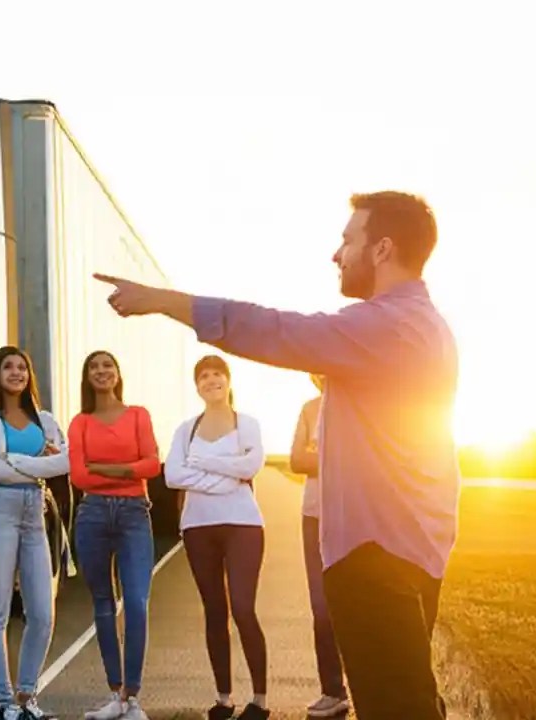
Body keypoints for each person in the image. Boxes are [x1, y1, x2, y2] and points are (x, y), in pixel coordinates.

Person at [94, 190, 459, 720]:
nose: (337, 254)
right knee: (411, 699)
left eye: (347, 240)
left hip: (377, 555)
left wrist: (165, 301)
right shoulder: (423, 326)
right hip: (405, 546)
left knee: (397, 707)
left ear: (382, 249)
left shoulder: (390, 327)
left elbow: (277, 330)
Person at [0, 345, 70, 720]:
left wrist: (20, 462)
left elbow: (68, 462)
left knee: (42, 612)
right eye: (7, 367)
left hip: (33, 512)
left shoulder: (45, 418)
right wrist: (41, 463)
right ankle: (4, 702)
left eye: (22, 367)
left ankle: (28, 698)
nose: (16, 372)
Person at [163, 354, 271, 720]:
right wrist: (227, 477)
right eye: (204, 376)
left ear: (228, 380)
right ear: (197, 386)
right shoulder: (186, 430)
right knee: (214, 611)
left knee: (242, 607)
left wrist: (205, 465)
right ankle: (223, 698)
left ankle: (259, 700)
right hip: (198, 527)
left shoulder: (248, 424)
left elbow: (251, 466)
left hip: (243, 525)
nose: (211, 381)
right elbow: (173, 476)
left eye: (217, 374)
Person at [66, 350, 161, 720]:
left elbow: (152, 465)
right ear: (87, 377)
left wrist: (106, 467)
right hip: (92, 515)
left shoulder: (138, 414)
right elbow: (79, 477)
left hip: (134, 514)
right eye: (94, 367)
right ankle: (115, 696)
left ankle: (133, 696)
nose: (101, 371)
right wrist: (128, 470)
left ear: (118, 373)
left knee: (136, 602)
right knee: (103, 605)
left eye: (107, 366)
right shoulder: (80, 422)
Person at [289, 373, 350, 717]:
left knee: (359, 605)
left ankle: (374, 688)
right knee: (321, 606)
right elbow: (297, 460)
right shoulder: (309, 409)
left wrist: (319, 456)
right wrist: (335, 458)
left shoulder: (361, 407)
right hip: (314, 516)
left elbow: (364, 460)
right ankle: (332, 690)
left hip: (355, 515)